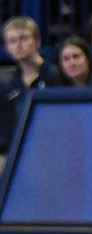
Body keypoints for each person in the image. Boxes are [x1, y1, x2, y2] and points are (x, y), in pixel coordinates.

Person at [1, 16, 60, 159]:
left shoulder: (54, 74)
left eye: (24, 38)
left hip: (52, 147)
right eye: (13, 41)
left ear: (37, 41)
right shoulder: (11, 84)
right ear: (7, 48)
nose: (19, 45)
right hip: (19, 151)